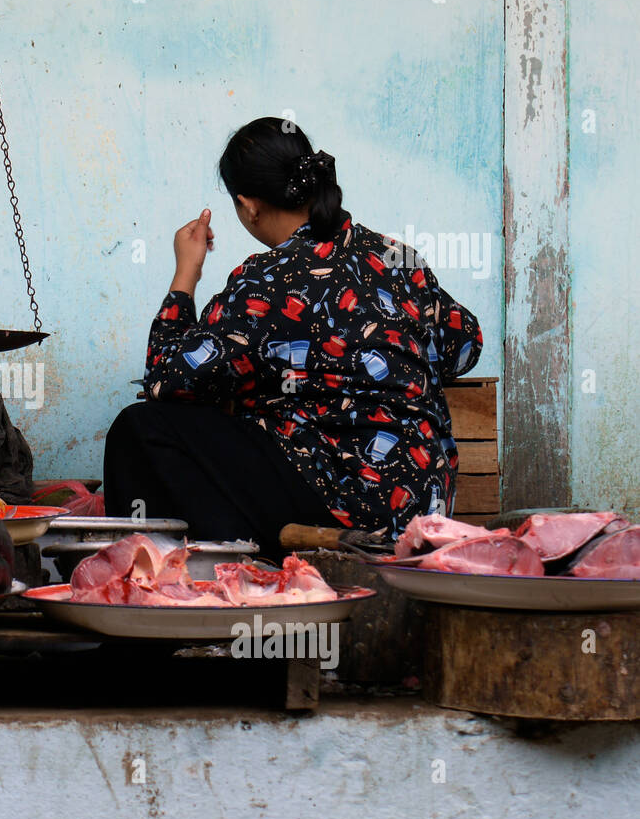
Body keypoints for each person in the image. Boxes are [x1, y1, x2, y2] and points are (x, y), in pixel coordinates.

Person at [104, 117, 483, 558]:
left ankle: (225, 575)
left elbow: (165, 380)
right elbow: (465, 344)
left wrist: (186, 272)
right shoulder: (397, 257)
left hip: (340, 503)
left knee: (140, 429)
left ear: (249, 205)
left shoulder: (263, 281)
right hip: (421, 500)